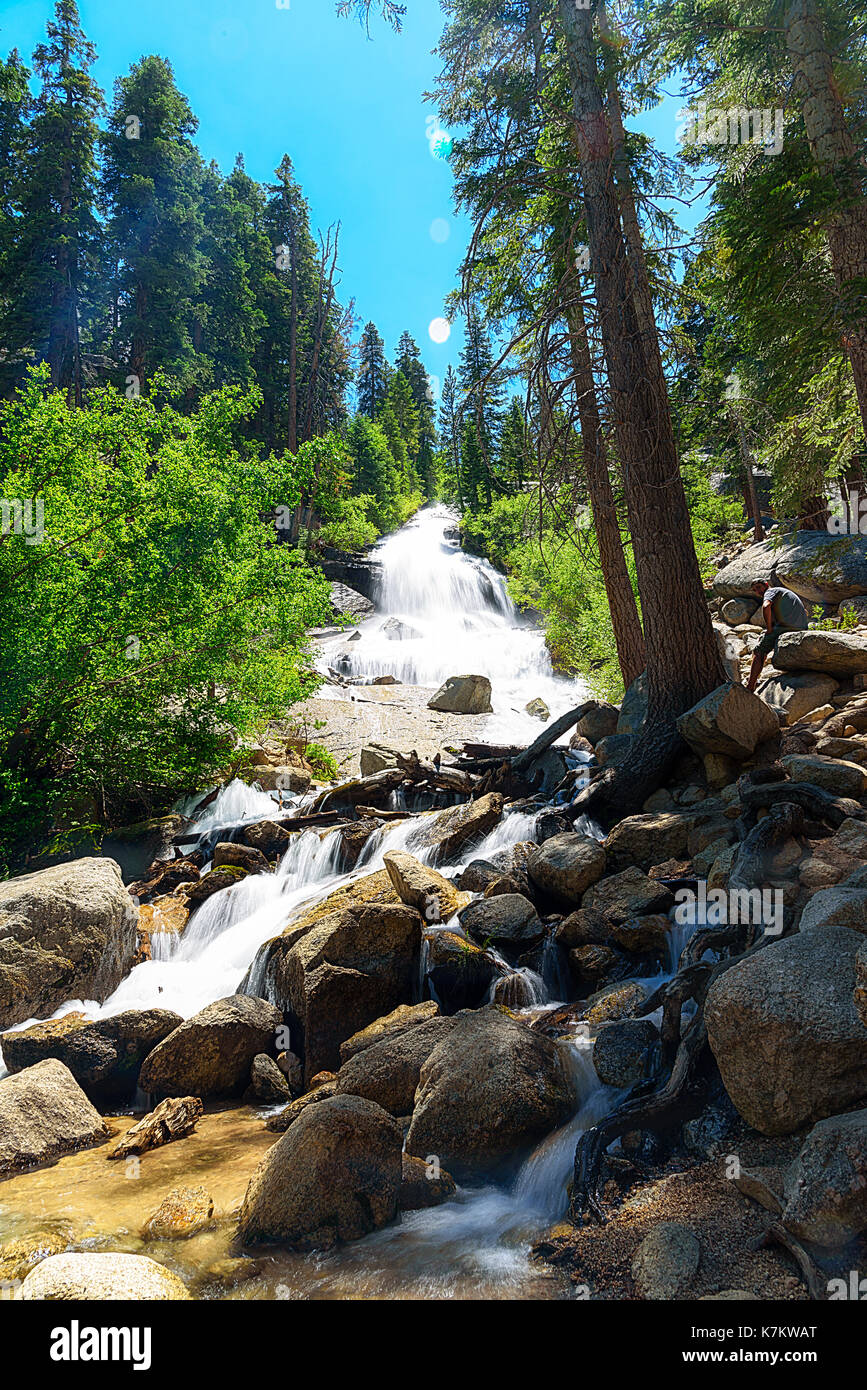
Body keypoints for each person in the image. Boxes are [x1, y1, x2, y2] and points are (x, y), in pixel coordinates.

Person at [745, 578, 809, 692]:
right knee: (765, 640)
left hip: (787, 627)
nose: (758, 591)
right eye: (755, 590)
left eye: (759, 587)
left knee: (759, 651)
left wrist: (769, 628)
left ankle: (750, 686)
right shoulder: (782, 591)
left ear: (766, 584)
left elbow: (766, 606)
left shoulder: (770, 591)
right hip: (802, 627)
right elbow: (805, 612)